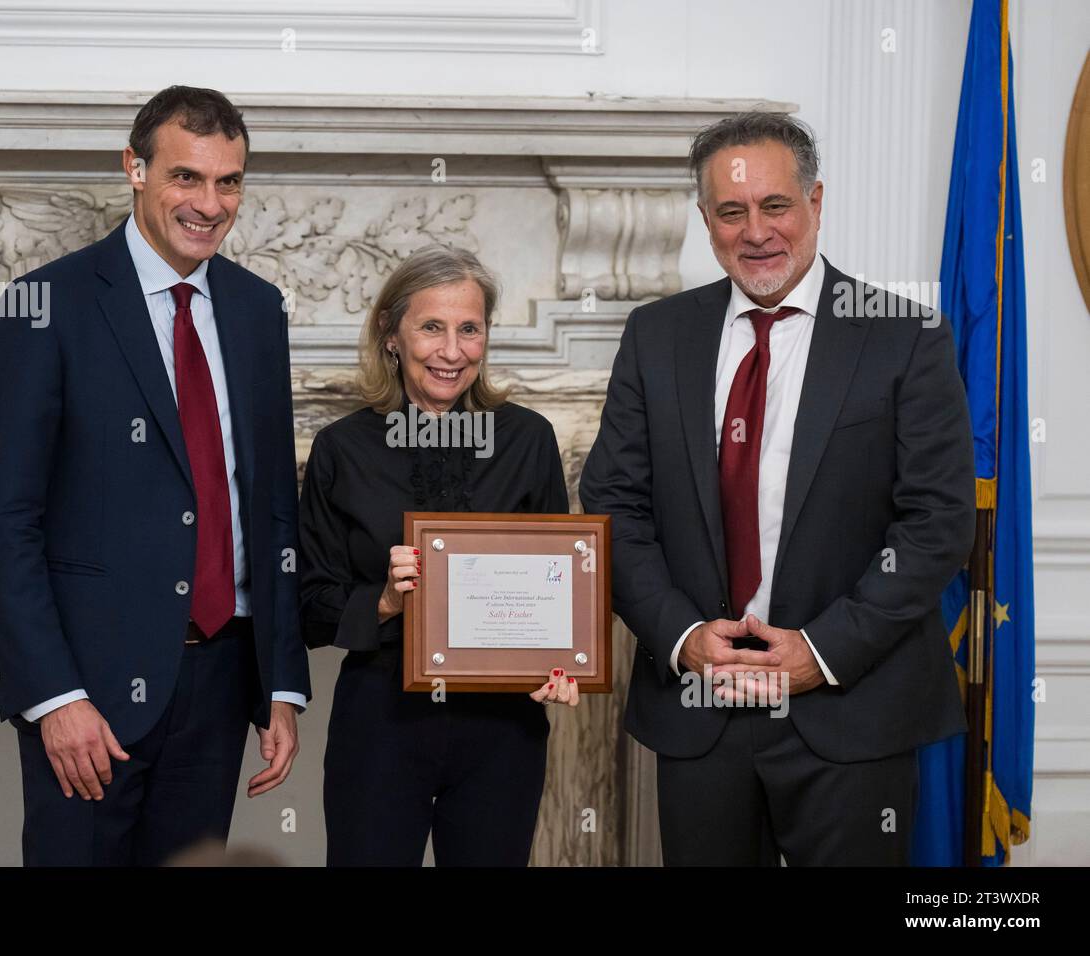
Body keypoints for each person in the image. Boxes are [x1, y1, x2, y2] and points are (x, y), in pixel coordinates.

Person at [579, 112, 975, 866]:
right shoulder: (656, 335)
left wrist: (819, 652)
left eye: (775, 205)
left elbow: (937, 523)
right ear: (706, 221)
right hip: (701, 709)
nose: (755, 231)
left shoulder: (904, 336)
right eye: (731, 212)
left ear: (815, 203)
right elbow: (613, 510)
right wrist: (685, 638)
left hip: (852, 709)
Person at [0, 85, 310, 865]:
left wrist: (279, 685)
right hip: (87, 697)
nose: (210, 202)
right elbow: (3, 527)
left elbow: (270, 510)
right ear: (134, 168)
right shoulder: (43, 305)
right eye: (186, 177)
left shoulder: (259, 311)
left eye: (229, 181)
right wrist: (54, 699)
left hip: (222, 682)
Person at [299, 244, 576, 867]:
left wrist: (561, 662)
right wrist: (386, 601)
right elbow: (311, 606)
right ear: (390, 334)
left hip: (505, 731)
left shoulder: (529, 439)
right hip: (380, 721)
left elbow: (561, 587)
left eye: (469, 329)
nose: (452, 352)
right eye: (431, 327)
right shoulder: (342, 450)